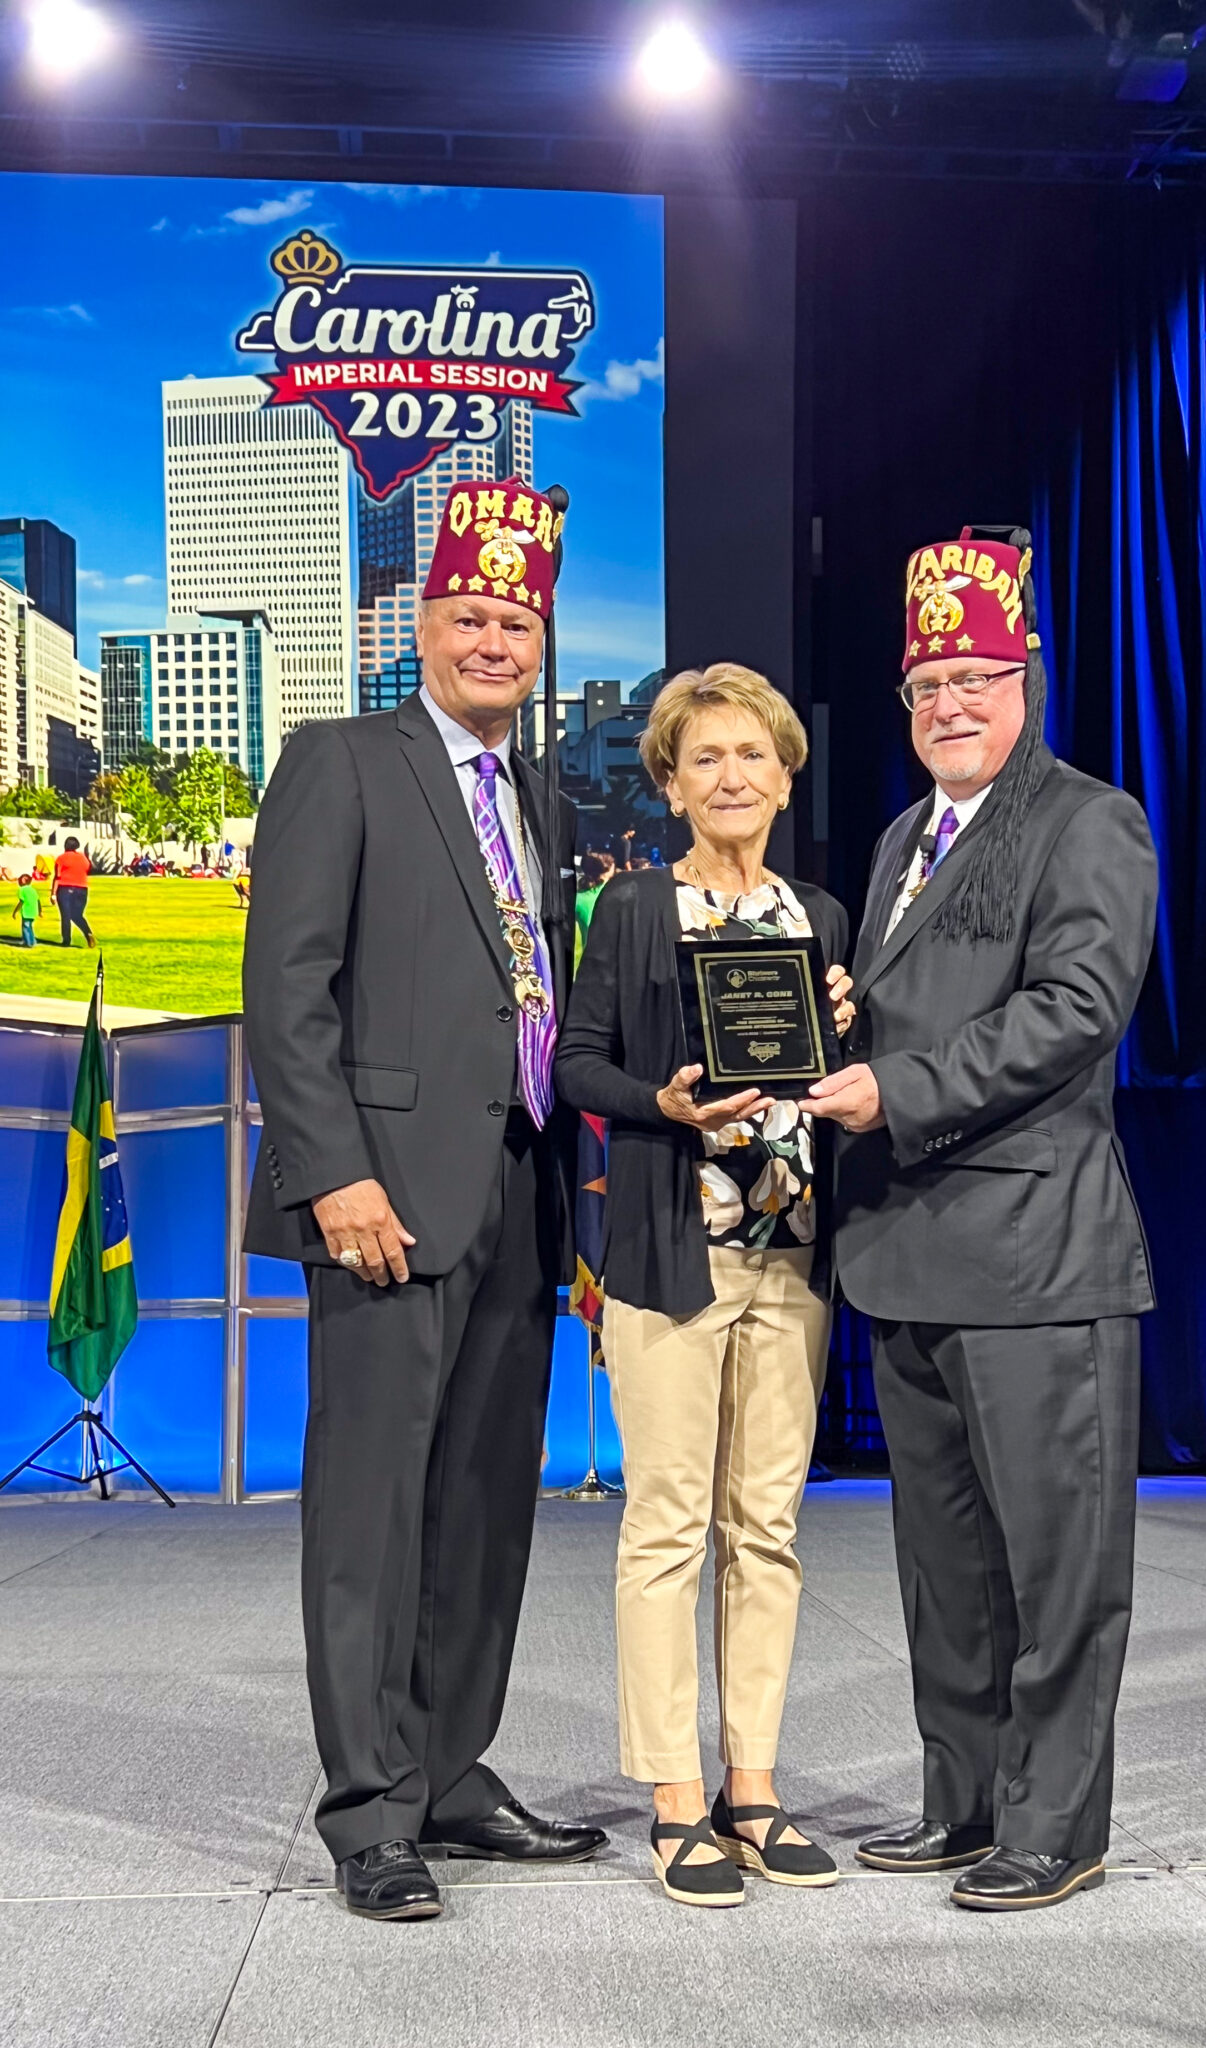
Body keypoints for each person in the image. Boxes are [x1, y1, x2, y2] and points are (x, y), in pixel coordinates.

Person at [243, 476, 606, 1924]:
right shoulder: (340, 761)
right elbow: (287, 990)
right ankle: (368, 1810)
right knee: (373, 1513)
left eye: (516, 620)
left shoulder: (539, 795)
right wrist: (333, 1172)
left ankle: (450, 1772)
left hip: (517, 1190)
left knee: (480, 1507)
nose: (493, 641)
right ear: (420, 626)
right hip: (384, 1198)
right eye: (469, 615)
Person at [806, 527, 1158, 1913]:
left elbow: (1074, 1011)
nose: (950, 703)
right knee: (946, 1569)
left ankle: (1056, 1825)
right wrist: (846, 1019)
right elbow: (929, 1005)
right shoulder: (904, 838)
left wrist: (892, 1085)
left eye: (976, 677)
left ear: (1027, 680)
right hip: (910, 1253)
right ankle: (961, 1801)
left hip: (1037, 1258)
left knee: (1057, 1570)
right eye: (928, 682)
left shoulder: (1089, 820)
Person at [556, 664, 853, 1909]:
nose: (732, 776)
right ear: (671, 785)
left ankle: (754, 1787)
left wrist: (848, 1026)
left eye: (752, 755)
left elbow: (832, 1082)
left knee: (766, 1531)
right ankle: (677, 1799)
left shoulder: (820, 916)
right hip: (673, 1257)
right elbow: (575, 1062)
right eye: (705, 758)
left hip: (793, 1255)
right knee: (669, 1525)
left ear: (786, 776)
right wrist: (661, 1102)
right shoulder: (633, 906)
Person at [572, 847, 615, 970]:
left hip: (585, 962)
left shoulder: (578, 898)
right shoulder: (612, 894)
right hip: (606, 963)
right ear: (607, 872)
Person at [52, 837, 94, 950]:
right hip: (82, 888)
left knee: (66, 915)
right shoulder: (83, 858)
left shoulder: (61, 858)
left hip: (65, 888)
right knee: (77, 915)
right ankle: (88, 933)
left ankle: (66, 940)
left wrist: (53, 893)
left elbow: (57, 876)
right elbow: (88, 869)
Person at [11, 872, 40, 948]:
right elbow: (38, 901)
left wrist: (15, 911)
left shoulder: (22, 890)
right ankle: (32, 941)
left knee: (26, 928)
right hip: (33, 911)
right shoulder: (33, 890)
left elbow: (21, 901)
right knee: (29, 927)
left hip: (26, 912)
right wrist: (40, 911)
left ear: (23, 881)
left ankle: (28, 943)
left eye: (19, 880)